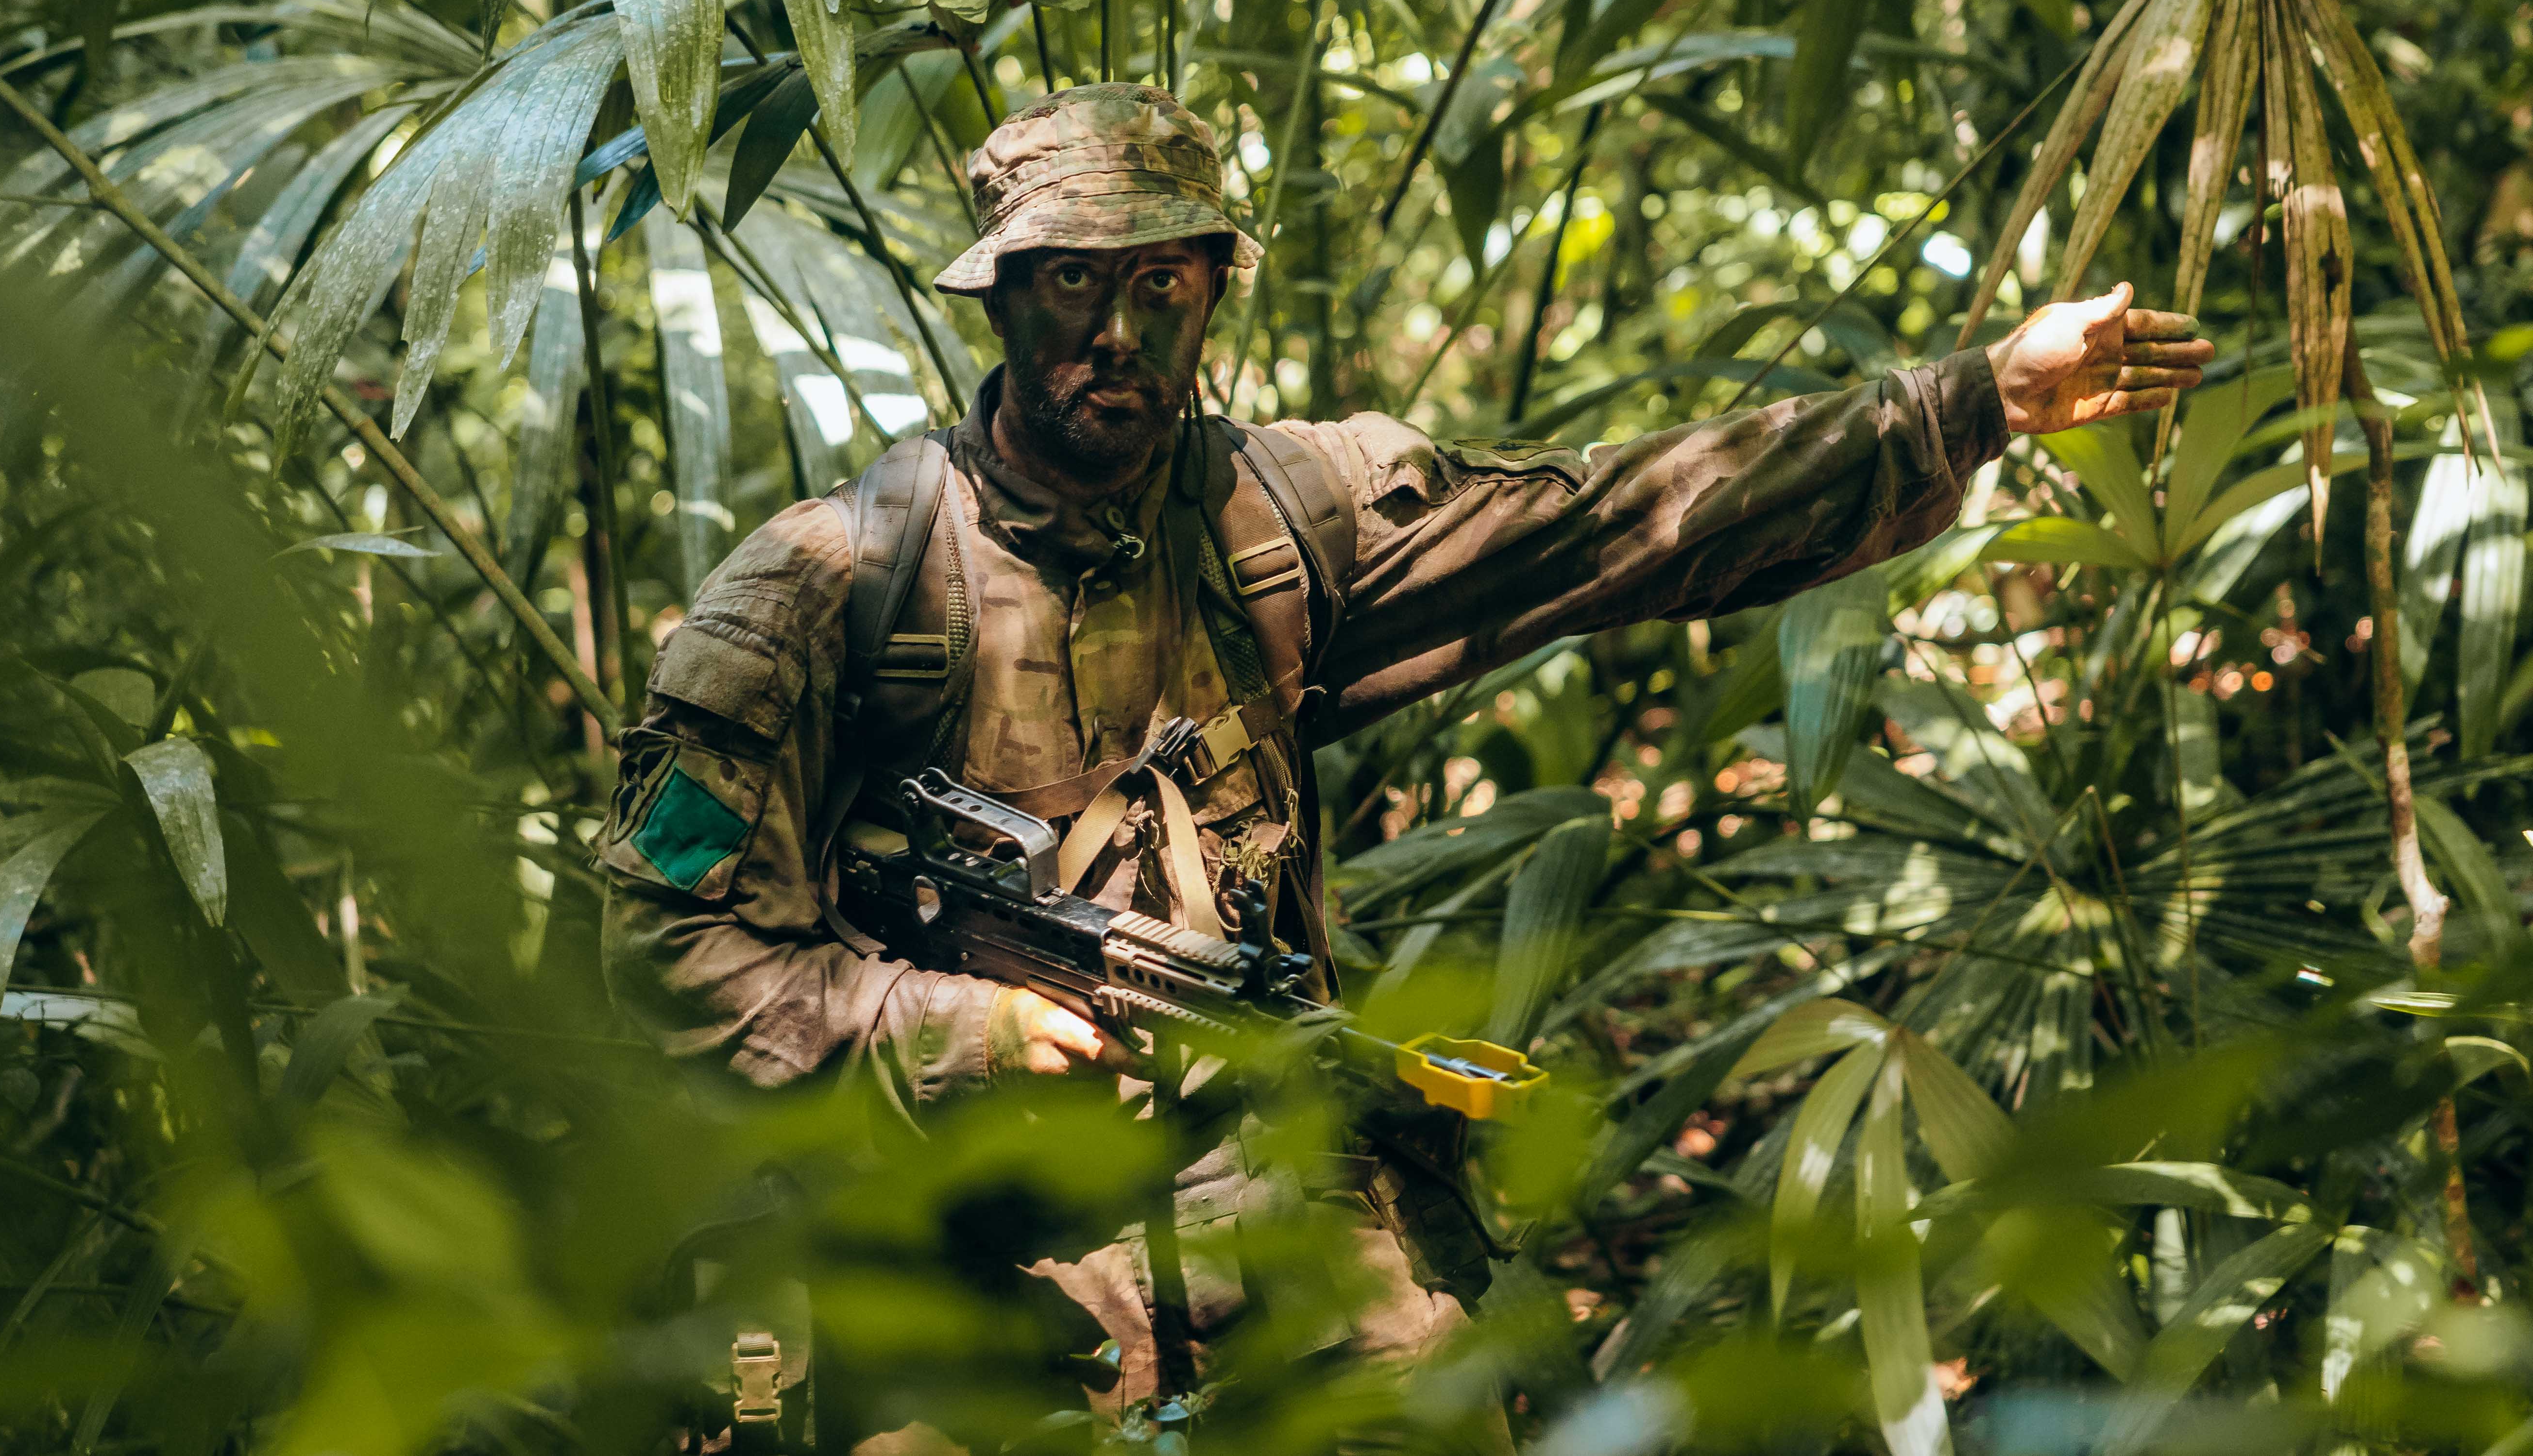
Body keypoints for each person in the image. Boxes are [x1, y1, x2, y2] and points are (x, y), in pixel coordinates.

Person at [595, 83, 2210, 1434]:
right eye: (1077, 282)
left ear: (1212, 294)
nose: (1120, 333)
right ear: (1006, 295)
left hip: (1268, 1196)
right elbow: (672, 950)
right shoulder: (827, 589)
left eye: (1165, 286)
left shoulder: (1283, 516)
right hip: (959, 1247)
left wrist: (1969, 403)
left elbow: (1623, 519)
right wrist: (955, 1030)